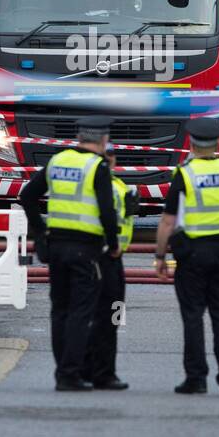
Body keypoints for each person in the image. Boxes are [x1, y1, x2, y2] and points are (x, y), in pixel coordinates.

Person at [18, 115, 121, 391]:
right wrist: (113, 244)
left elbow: (27, 196)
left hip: (57, 247)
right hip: (85, 249)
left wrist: (40, 232)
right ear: (103, 140)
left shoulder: (58, 160)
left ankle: (62, 371)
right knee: (80, 311)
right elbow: (107, 211)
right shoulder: (96, 166)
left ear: (79, 137)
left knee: (60, 310)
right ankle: (71, 373)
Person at [153, 118, 219, 395]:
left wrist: (160, 256)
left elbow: (168, 221)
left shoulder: (184, 174)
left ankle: (196, 378)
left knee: (192, 316)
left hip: (191, 254)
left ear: (192, 144)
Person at [84, 146, 134, 390]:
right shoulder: (113, 186)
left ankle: (86, 368)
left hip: (102, 256)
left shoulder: (115, 184)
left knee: (98, 315)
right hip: (107, 257)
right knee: (109, 317)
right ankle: (103, 372)